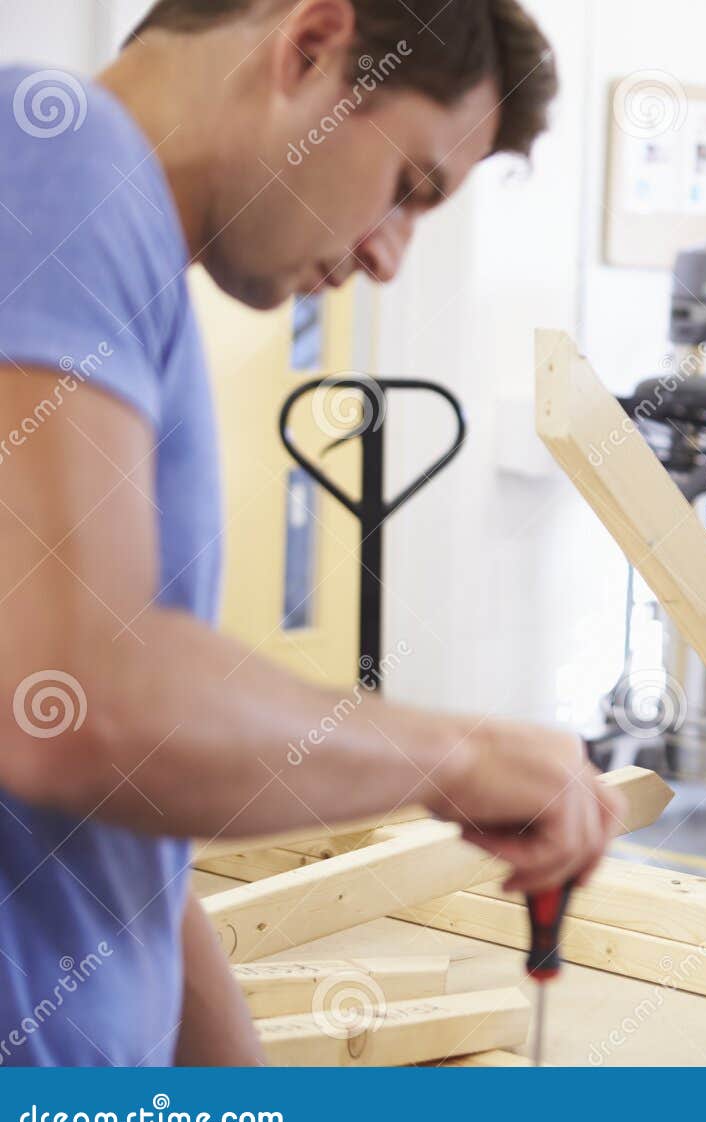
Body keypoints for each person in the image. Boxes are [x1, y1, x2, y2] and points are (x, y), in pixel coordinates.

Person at [0, 0, 618, 1067]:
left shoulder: (130, 272)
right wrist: (457, 754)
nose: (388, 257)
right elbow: (74, 708)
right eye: (410, 187)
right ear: (312, 44)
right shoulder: (53, 151)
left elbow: (122, 834)